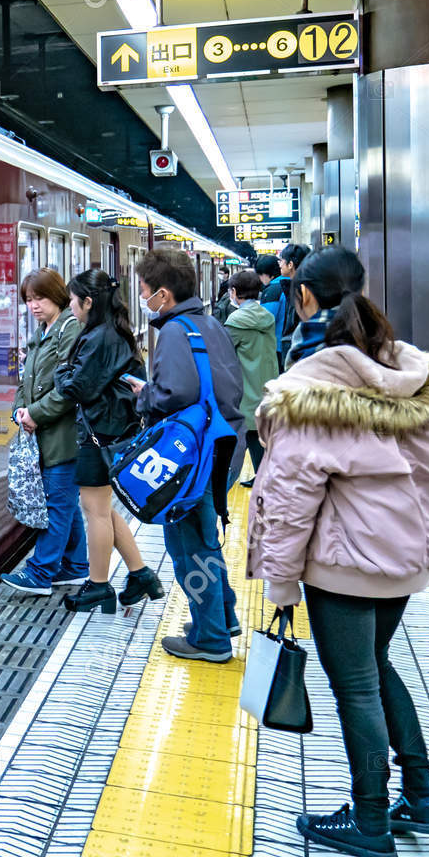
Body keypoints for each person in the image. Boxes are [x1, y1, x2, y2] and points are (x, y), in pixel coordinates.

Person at [247, 246, 429, 857]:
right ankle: (421, 797)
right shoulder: (406, 372)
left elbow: (289, 498)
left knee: (356, 687)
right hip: (400, 557)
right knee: (377, 666)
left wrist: (280, 581)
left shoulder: (311, 387)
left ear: (304, 297)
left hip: (345, 563)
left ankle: (370, 819)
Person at [127, 248, 245, 661]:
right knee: (206, 539)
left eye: (144, 292)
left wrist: (144, 397)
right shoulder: (212, 324)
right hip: (225, 444)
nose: (143, 300)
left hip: (193, 459)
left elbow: (174, 395)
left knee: (188, 546)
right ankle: (223, 615)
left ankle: (210, 639)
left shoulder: (175, 332)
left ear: (163, 294)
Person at [53, 269, 160, 613]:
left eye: (72, 300)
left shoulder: (100, 337)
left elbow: (77, 387)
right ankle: (141, 574)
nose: (69, 306)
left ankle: (98, 584)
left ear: (88, 302)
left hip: (101, 432)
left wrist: (60, 371)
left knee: (95, 512)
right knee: (103, 509)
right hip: (109, 429)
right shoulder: (113, 331)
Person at [0, 269, 90, 597]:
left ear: (57, 296)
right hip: (45, 432)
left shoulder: (70, 329)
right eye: (28, 300)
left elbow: (70, 388)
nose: (34, 305)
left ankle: (40, 572)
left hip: (65, 435)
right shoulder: (43, 329)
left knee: (57, 503)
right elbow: (28, 379)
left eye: (40, 298)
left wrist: (35, 413)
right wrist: (20, 410)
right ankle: (77, 566)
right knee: (64, 502)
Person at [222, 269, 278, 487]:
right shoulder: (267, 317)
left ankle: (216, 498)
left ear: (234, 292)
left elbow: (223, 357)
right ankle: (264, 482)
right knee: (258, 441)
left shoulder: (235, 321)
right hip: (266, 393)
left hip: (243, 396)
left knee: (232, 456)